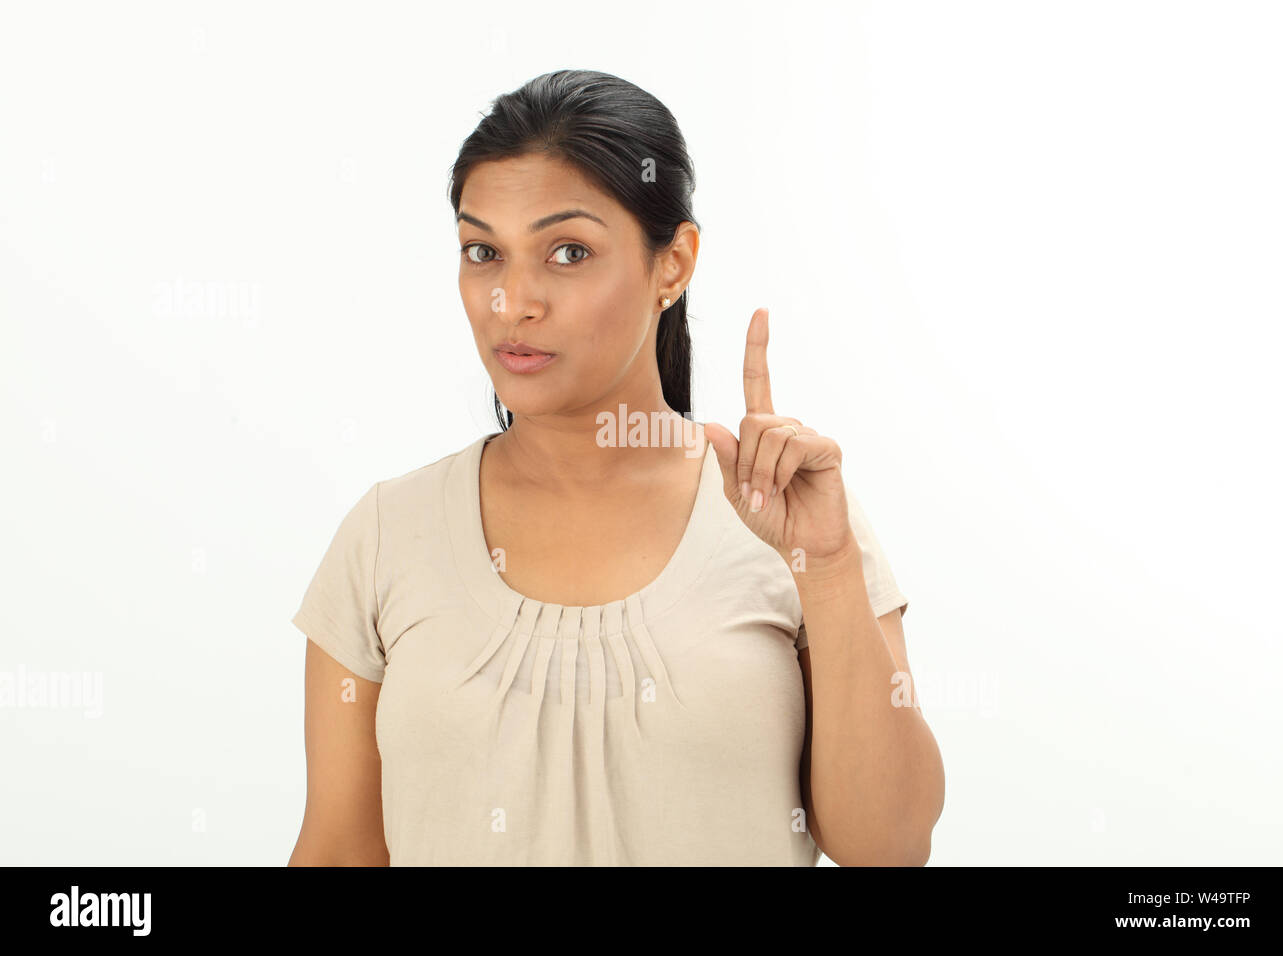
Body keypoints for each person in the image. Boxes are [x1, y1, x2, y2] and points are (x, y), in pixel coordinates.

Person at [287, 69, 943, 866]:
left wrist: (830, 567)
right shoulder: (389, 535)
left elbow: (891, 845)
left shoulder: (792, 520)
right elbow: (339, 849)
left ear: (673, 264)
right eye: (482, 251)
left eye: (567, 251)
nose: (512, 301)